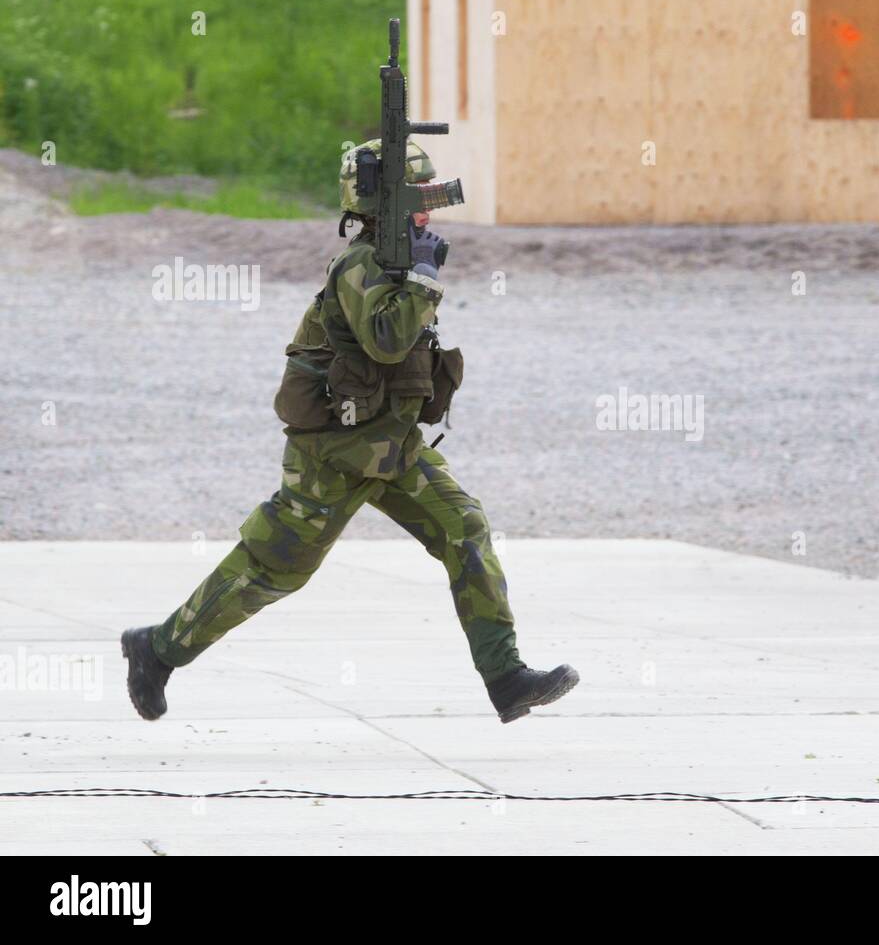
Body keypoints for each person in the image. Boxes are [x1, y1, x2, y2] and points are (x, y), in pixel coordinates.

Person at [120, 139, 578, 725]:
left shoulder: (394, 263)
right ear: (381, 205)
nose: (427, 214)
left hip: (392, 446)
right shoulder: (359, 266)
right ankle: (156, 649)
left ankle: (506, 677)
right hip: (334, 454)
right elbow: (386, 340)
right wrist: (424, 279)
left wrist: (416, 275)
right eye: (415, 201)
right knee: (274, 570)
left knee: (465, 529)